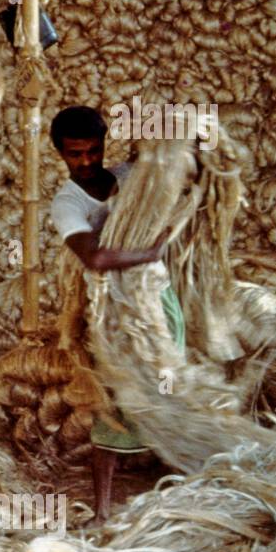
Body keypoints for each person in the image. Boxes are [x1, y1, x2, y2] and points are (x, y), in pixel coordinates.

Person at [48, 105, 180, 523]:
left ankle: (180, 491)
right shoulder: (67, 203)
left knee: (171, 387)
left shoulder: (128, 177)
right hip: (112, 313)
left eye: (92, 150)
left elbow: (167, 171)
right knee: (114, 398)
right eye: (75, 154)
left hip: (158, 300)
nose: (85, 162)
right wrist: (154, 252)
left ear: (104, 144)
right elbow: (96, 257)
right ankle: (103, 511)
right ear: (60, 153)